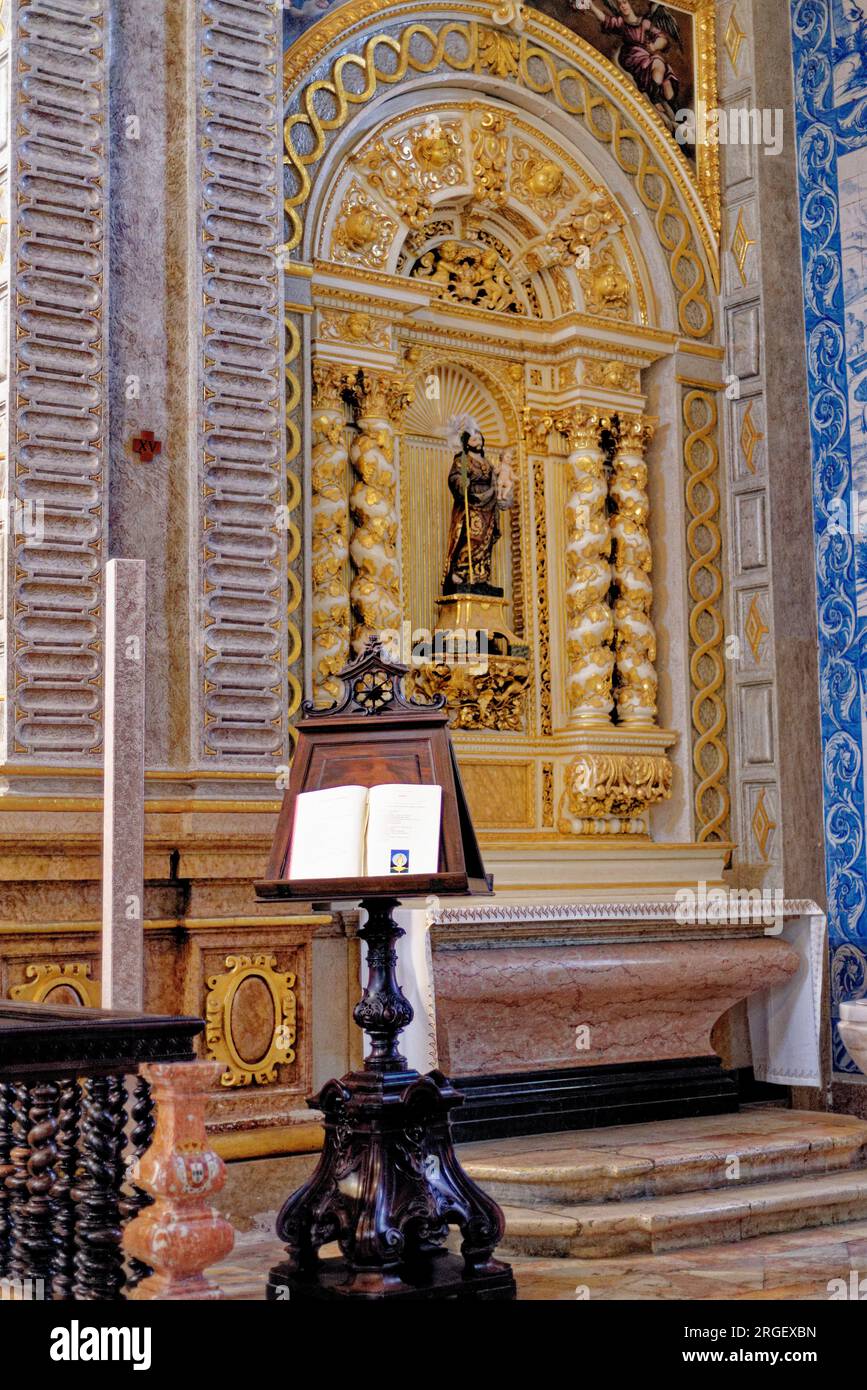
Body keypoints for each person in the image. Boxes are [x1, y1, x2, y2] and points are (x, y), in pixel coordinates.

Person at [443, 429, 514, 595]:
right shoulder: (462, 460)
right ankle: (460, 571)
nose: (478, 441)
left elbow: (495, 480)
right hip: (472, 502)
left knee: (486, 540)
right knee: (473, 536)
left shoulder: (487, 462)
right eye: (474, 439)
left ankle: (480, 575)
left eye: (479, 438)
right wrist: (462, 483)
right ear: (467, 442)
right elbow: (454, 478)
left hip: (488, 504)